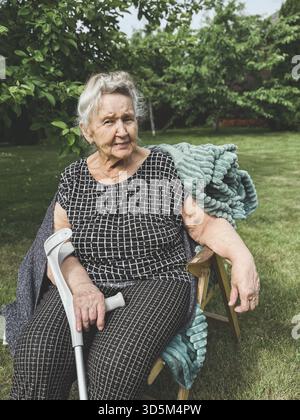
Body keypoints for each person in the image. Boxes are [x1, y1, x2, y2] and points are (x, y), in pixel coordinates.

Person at [10, 71, 260, 400]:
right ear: (87, 130)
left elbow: (203, 224)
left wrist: (242, 257)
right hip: (87, 277)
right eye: (109, 121)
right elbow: (59, 248)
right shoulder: (73, 178)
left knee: (112, 366)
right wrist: (83, 286)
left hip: (156, 280)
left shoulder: (160, 167)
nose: (122, 131)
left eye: (128, 118)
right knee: (36, 354)